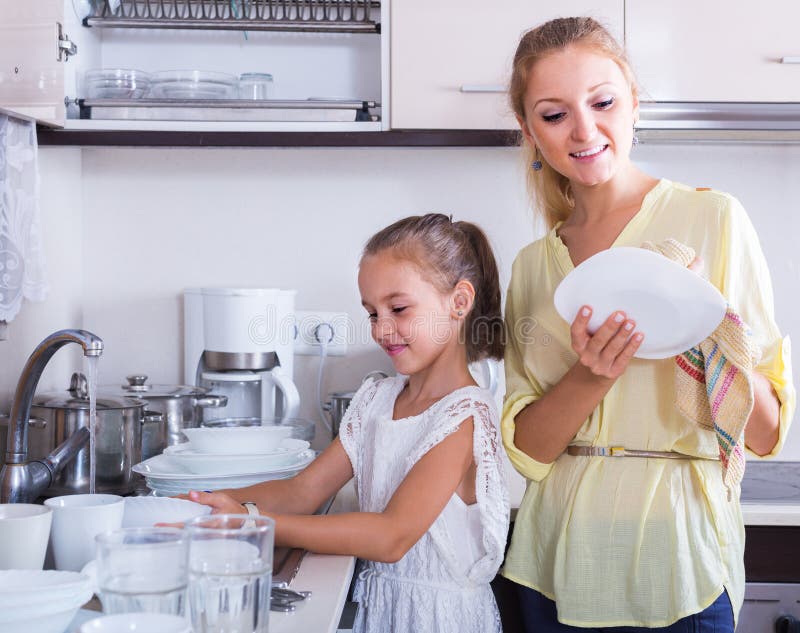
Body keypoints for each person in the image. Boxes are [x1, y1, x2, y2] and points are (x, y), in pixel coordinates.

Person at [500, 16, 795, 633]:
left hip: (677, 556)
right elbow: (528, 450)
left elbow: (765, 437)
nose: (584, 130)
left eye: (603, 102)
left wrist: (716, 335)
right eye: (554, 115)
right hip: (552, 556)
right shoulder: (533, 267)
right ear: (529, 131)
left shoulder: (711, 219)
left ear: (634, 103)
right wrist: (590, 376)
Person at [185, 213, 510, 633]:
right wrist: (208, 505)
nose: (382, 329)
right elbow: (302, 490)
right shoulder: (376, 399)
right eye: (372, 313)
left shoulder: (465, 414)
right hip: (383, 612)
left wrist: (251, 522)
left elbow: (392, 536)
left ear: (459, 303)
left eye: (398, 308)